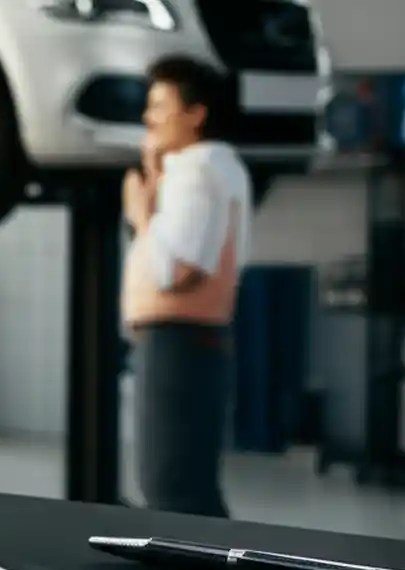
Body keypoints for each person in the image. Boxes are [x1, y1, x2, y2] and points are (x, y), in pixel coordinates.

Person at [121, 55, 252, 517]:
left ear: (196, 115)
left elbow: (177, 270)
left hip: (177, 342)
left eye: (160, 105)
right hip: (188, 343)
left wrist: (140, 214)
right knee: (185, 484)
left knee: (171, 487)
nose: (148, 117)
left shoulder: (197, 171)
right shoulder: (213, 168)